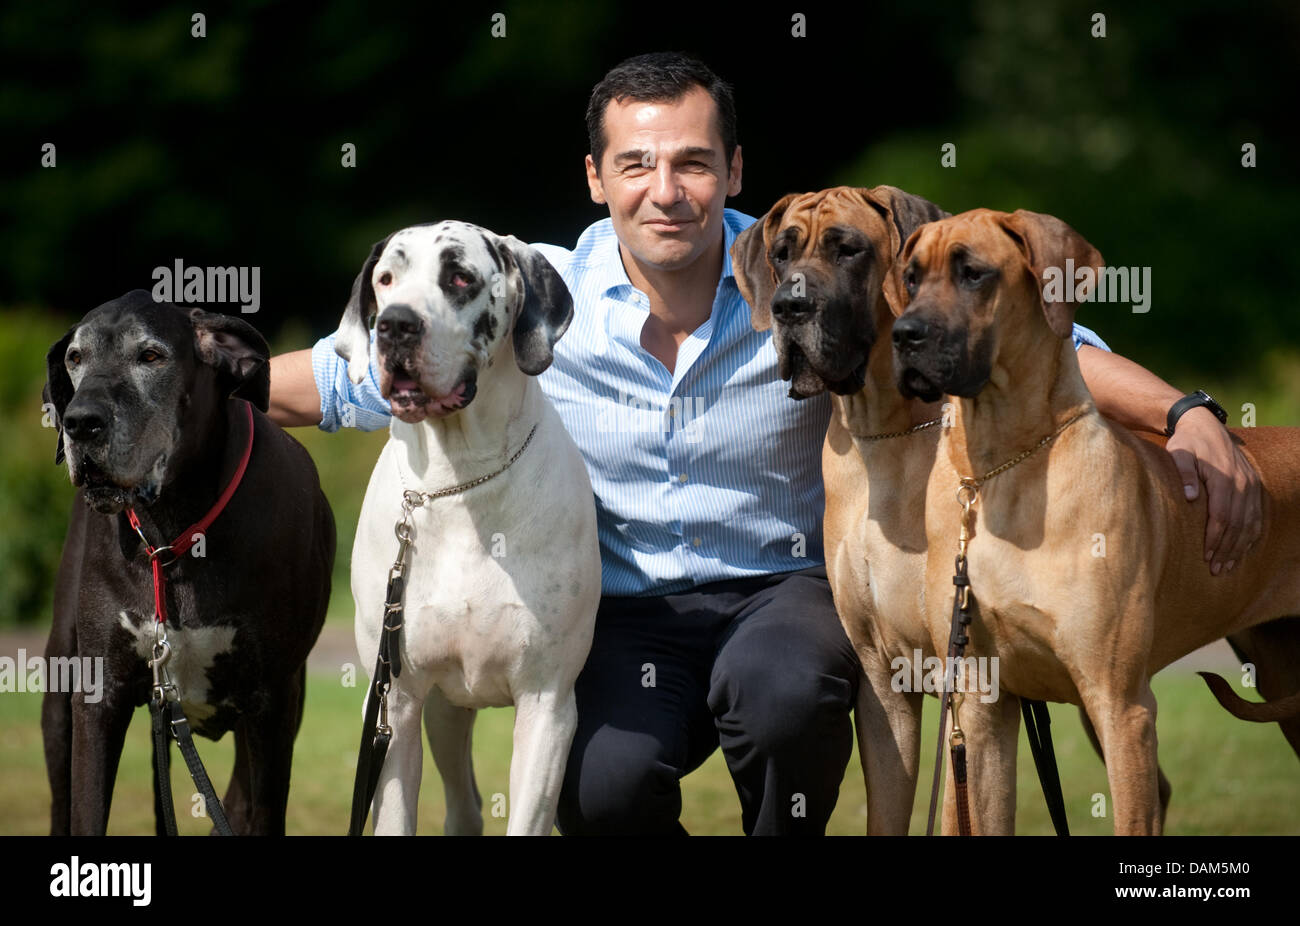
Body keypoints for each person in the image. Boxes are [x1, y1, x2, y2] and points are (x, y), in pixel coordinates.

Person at [267, 52, 1262, 834]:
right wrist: (212, 382)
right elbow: (352, 370)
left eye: (694, 162)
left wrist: (1185, 411)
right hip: (626, 613)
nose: (668, 189)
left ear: (732, 169)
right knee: (601, 787)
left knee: (786, 693)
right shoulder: (534, 301)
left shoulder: (801, 269)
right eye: (638, 165)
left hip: (773, 597)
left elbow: (1055, 342)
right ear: (595, 178)